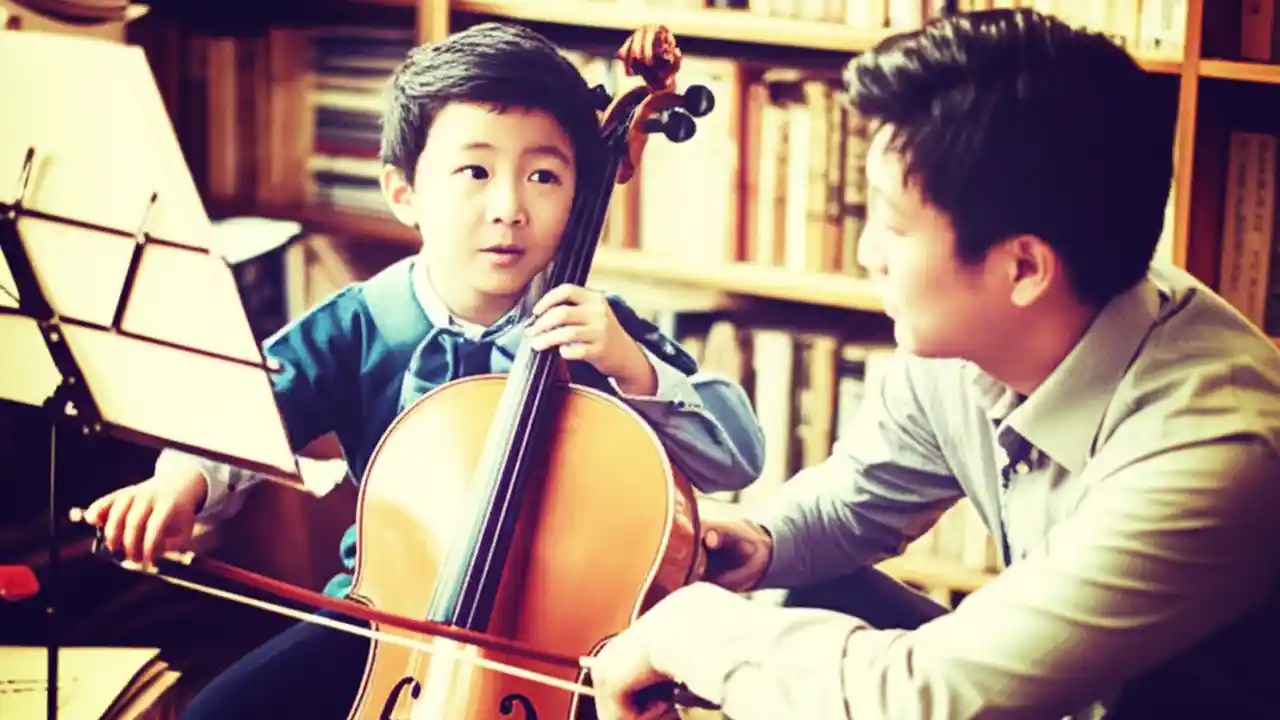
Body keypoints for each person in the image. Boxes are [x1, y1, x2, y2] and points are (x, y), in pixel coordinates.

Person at [585, 9, 1280, 720]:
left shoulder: (1215, 453)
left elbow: (929, 699)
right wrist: (765, 542)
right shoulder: (993, 329)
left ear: (1023, 268)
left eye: (892, 224)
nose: (867, 254)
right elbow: (864, 491)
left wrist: (688, 633)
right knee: (801, 597)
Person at [80, 21, 766, 719]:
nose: (509, 208)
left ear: (578, 194)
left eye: (544, 176)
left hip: (563, 652)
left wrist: (633, 367)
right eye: (475, 172)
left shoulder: (592, 330)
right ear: (403, 192)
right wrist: (181, 482)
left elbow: (736, 457)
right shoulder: (361, 323)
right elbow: (249, 410)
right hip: (385, 624)